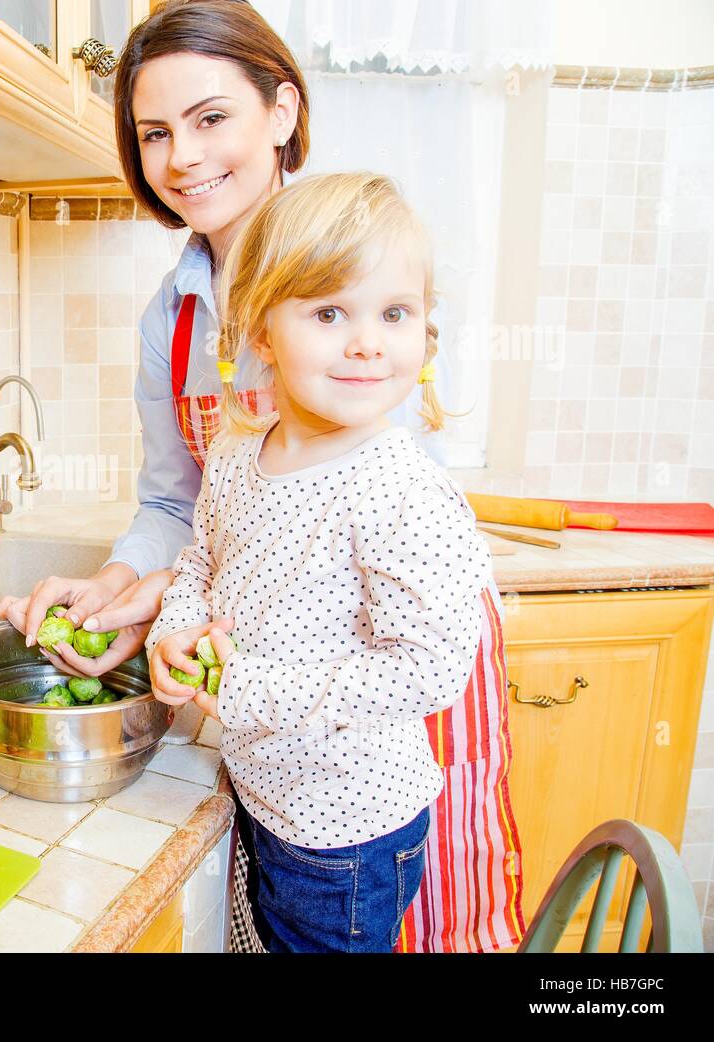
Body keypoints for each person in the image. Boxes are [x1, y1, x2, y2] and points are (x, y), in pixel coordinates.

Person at [0, 0, 524, 953]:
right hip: (268, 728)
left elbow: (362, 544)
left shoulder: (352, 272)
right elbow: (186, 507)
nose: (183, 158)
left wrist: (233, 659)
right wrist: (128, 589)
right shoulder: (177, 316)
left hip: (375, 693)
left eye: (211, 118)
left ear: (282, 112)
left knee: (420, 916)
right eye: (154, 133)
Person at [146, 170, 484, 952]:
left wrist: (252, 687)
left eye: (395, 313)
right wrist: (177, 629)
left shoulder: (400, 489)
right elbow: (201, 562)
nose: (368, 341)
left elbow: (432, 670)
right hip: (267, 796)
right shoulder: (235, 456)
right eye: (330, 312)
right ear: (262, 332)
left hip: (348, 839)